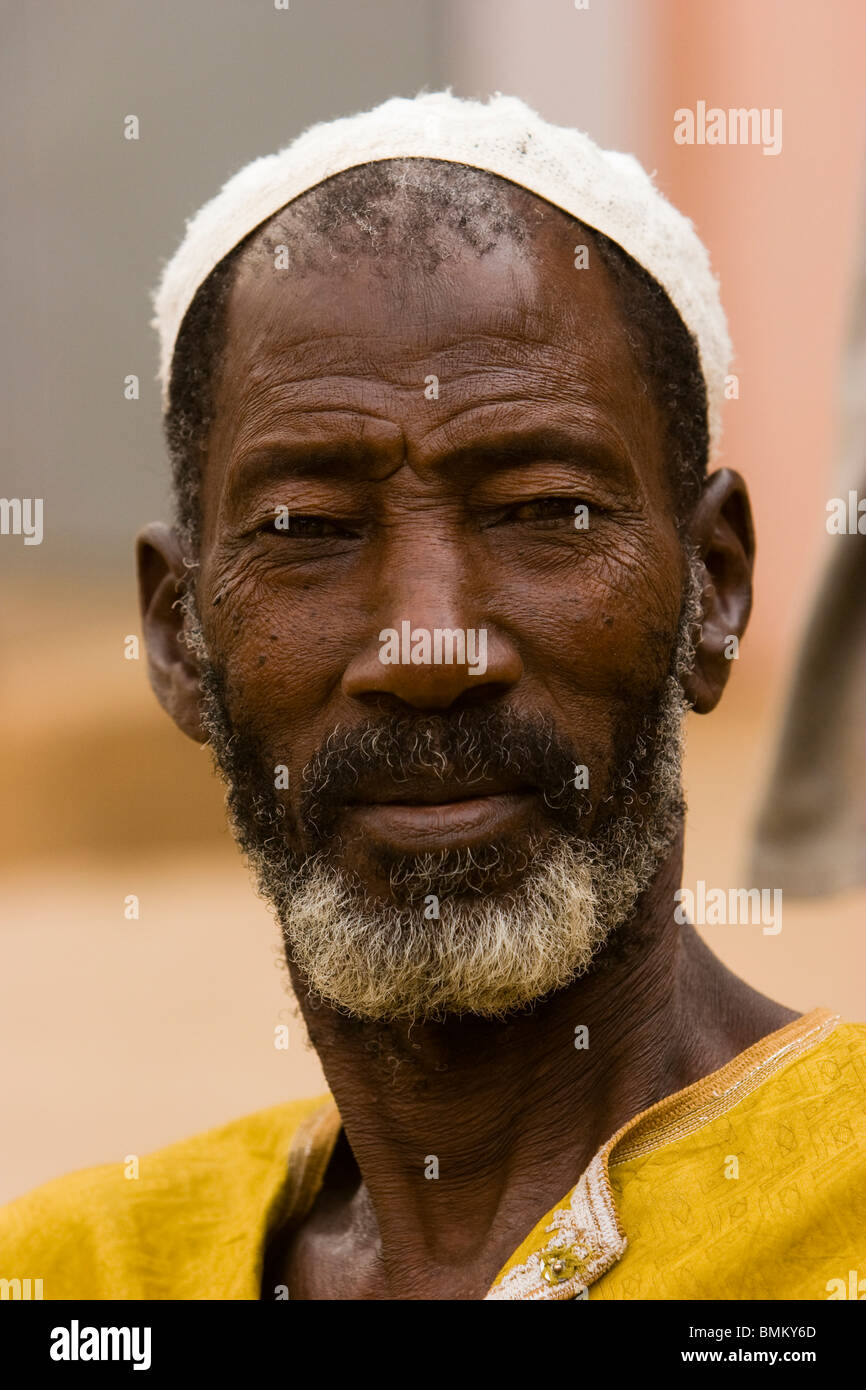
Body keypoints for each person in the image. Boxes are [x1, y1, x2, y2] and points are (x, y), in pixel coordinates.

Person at [1, 93, 862, 1301]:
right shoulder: (79, 1277)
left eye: (541, 511)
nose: (427, 644)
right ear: (179, 638)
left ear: (712, 590)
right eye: (308, 528)